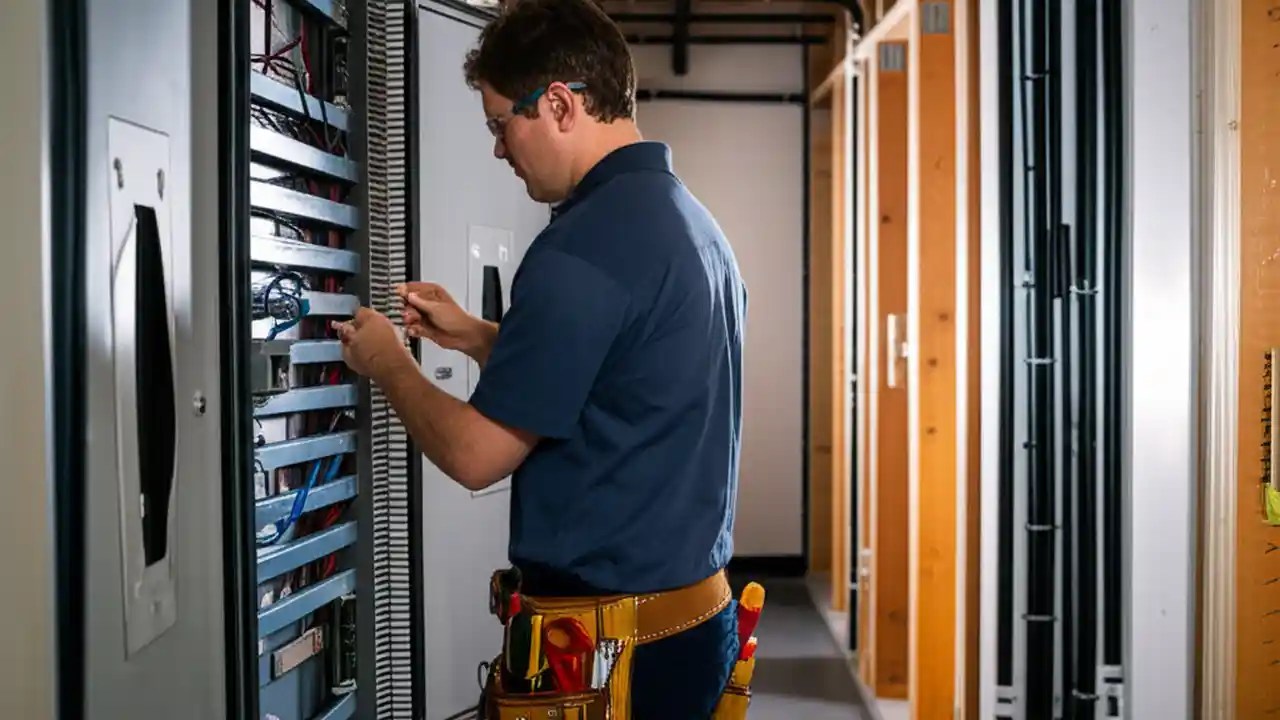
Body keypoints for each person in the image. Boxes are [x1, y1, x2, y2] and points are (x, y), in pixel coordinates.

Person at [332, 0, 748, 715]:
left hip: (609, 660)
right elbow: (624, 384)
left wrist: (388, 365)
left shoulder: (581, 249)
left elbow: (475, 455)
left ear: (559, 104)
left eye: (501, 124)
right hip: (694, 631)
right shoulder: (695, 230)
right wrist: (475, 336)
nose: (499, 149)